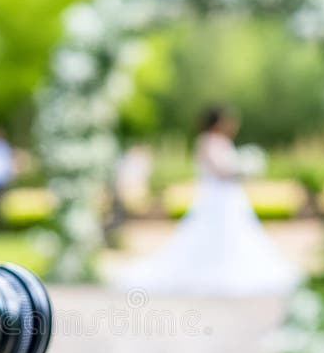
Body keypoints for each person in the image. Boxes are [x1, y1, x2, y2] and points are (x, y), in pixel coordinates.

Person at [118, 105, 298, 295]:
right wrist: (243, 170)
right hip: (215, 200)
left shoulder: (223, 142)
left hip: (230, 199)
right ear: (218, 122)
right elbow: (219, 171)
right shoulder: (206, 141)